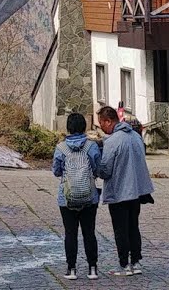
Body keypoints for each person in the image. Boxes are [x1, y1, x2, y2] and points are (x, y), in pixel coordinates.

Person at [96, 106, 154, 277]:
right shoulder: (136, 136)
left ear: (108, 121)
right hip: (137, 191)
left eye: (101, 124)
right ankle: (136, 262)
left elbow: (105, 170)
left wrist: (95, 168)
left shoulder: (112, 141)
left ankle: (124, 264)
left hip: (119, 191)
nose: (101, 128)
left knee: (120, 230)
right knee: (133, 227)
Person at [52, 113, 101, 280]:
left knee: (70, 233)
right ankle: (92, 269)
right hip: (90, 197)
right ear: (84, 127)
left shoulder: (61, 148)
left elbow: (56, 171)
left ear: (68, 128)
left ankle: (71, 269)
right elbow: (97, 169)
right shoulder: (92, 146)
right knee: (89, 233)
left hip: (67, 198)